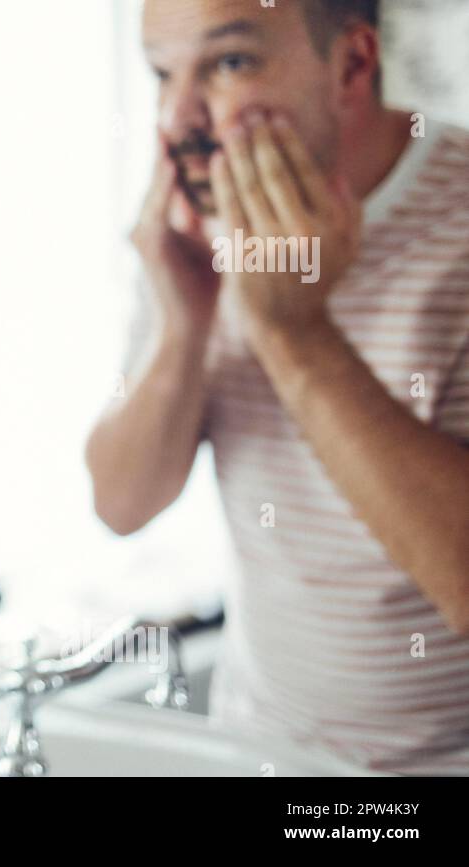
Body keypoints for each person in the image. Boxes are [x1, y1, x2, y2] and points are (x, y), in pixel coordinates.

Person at [86, 0, 469, 773]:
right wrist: (182, 321)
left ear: (352, 66)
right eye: (162, 72)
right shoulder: (207, 220)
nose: (177, 114)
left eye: (229, 63)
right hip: (258, 750)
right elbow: (123, 503)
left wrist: (294, 333)